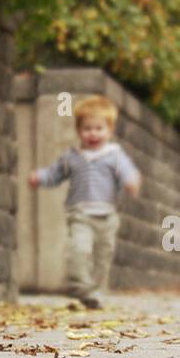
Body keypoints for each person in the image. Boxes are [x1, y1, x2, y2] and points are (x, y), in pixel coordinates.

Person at [28, 96, 141, 309]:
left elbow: (128, 172)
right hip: (79, 214)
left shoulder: (114, 155)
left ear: (110, 130)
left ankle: (95, 293)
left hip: (107, 216)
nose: (93, 133)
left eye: (99, 128)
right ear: (78, 130)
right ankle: (82, 287)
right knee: (79, 250)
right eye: (87, 128)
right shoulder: (72, 156)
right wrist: (39, 177)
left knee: (102, 258)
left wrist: (131, 180)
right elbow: (55, 174)